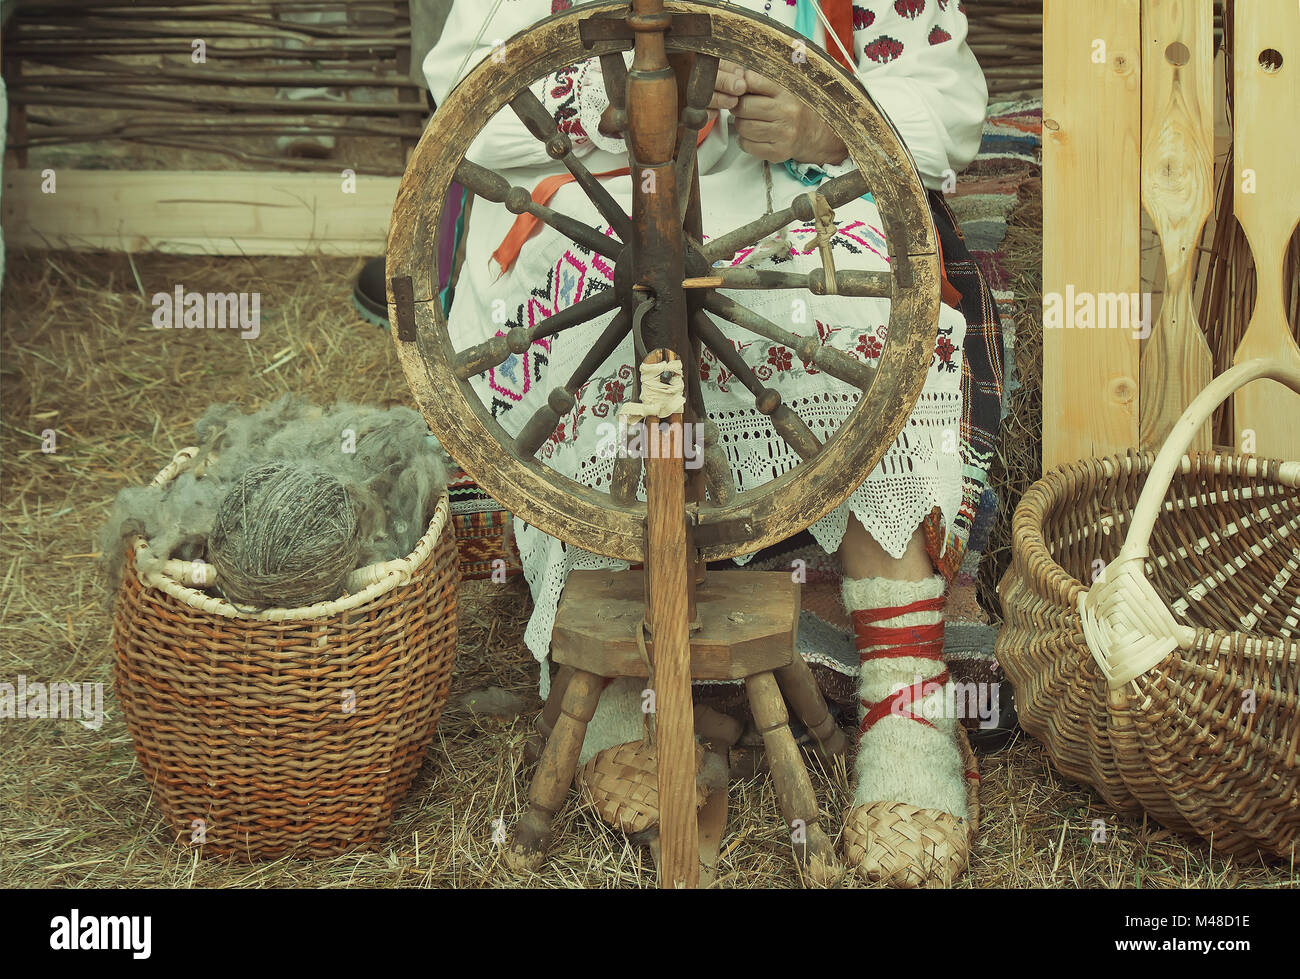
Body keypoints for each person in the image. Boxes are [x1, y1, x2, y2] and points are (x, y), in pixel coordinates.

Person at [423, 0, 1004, 887]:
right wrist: (612, 94)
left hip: (791, 200)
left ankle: (903, 686)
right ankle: (621, 663)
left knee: (868, 310)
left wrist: (827, 117)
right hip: (603, 203)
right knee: (590, 328)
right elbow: (465, 109)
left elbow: (947, 102)